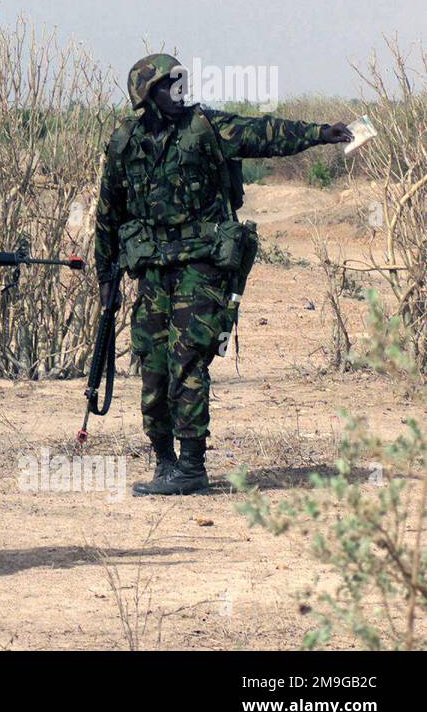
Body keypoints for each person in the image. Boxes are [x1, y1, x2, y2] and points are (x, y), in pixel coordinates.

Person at [95, 53, 353, 495]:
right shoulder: (126, 142)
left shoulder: (207, 129)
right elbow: (108, 213)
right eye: (167, 85)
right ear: (146, 95)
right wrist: (107, 277)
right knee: (152, 365)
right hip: (153, 269)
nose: (178, 91)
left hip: (201, 263)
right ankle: (164, 462)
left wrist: (319, 134)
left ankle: (192, 466)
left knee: (188, 357)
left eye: (180, 82)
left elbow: (265, 132)